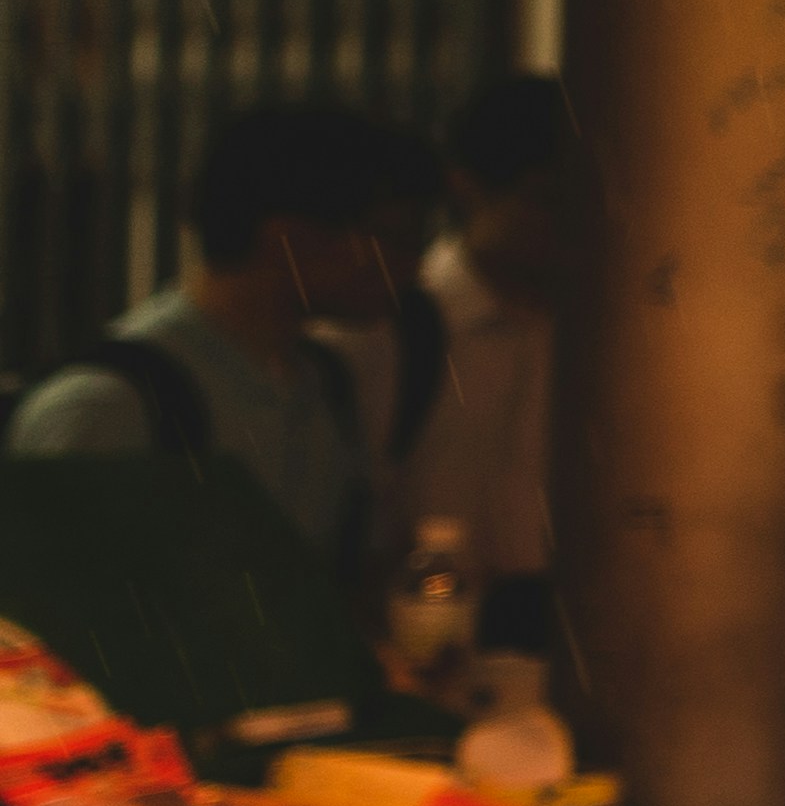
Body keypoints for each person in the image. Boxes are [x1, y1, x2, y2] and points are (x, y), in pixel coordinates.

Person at [14, 96, 438, 566]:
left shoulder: (322, 382)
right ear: (290, 240)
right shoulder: (114, 403)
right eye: (394, 240)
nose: (411, 268)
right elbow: (53, 611)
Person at [392, 74, 574, 661]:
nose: (574, 225)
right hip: (423, 641)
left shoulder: (608, 342)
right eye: (549, 199)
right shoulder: (395, 329)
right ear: (468, 188)